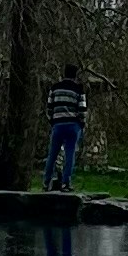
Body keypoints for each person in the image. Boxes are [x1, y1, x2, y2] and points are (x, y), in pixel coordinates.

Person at [42, 66, 86, 194]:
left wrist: (53, 120)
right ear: (75, 75)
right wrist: (81, 124)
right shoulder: (79, 90)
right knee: (70, 154)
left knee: (53, 154)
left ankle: (46, 182)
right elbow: (82, 110)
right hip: (73, 125)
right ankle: (66, 183)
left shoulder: (55, 88)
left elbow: (49, 107)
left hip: (58, 125)